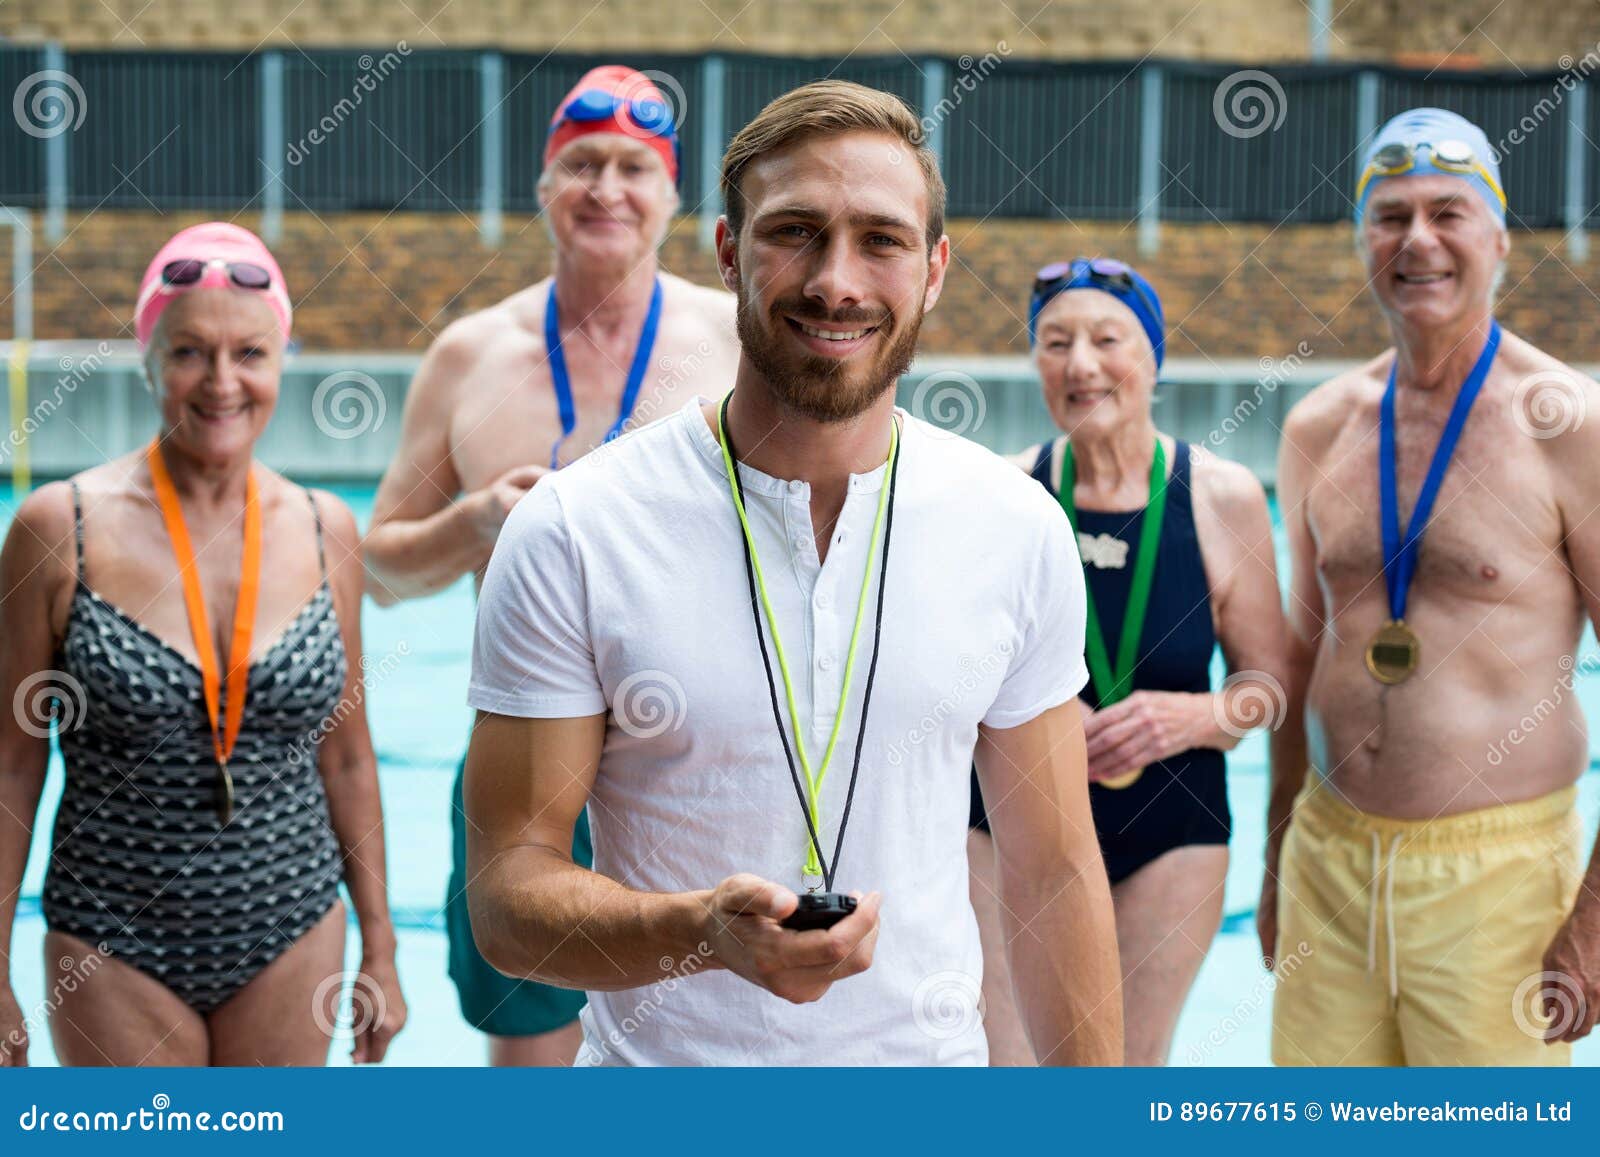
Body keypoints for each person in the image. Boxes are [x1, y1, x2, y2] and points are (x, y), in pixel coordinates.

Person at [460, 80, 1123, 1067]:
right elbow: (508, 898)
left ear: (934, 268)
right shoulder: (576, 528)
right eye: (795, 232)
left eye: (881, 240)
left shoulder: (1013, 527)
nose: (835, 281)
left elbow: (1055, 871)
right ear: (728, 250)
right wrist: (699, 929)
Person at [362, 65, 738, 1066]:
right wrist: (477, 523)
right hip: (526, 751)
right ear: (542, 188)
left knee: (706, 1041)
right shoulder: (472, 355)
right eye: (580, 164)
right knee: (531, 1052)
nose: (605, 188)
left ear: (670, 196)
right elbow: (380, 569)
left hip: (701, 755)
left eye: (632, 166)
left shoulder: (734, 338)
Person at [0, 222, 404, 1067]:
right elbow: (10, 763)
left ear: (280, 361)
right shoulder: (57, 530)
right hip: (111, 943)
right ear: (149, 358)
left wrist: (384, 950)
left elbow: (350, 760)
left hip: (292, 926)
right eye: (189, 352)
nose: (221, 382)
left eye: (249, 354)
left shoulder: (327, 528)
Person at [1268, 107, 1600, 1065]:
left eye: (1448, 212)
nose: (1418, 239)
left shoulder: (1565, 424)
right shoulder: (1320, 425)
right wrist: (1278, 854)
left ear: (1499, 238)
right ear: (1364, 239)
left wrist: (1594, 920)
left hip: (1499, 877)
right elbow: (1300, 654)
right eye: (1391, 215)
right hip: (1329, 859)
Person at [967, 258, 1288, 1065]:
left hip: (1173, 833)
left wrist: (1200, 714)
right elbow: (945, 684)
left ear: (1152, 358)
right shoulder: (1005, 495)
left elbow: (1269, 689)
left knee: (1126, 1083)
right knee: (1007, 1073)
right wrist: (1026, 717)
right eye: (1055, 342)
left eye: (1108, 339)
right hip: (1011, 825)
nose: (1081, 364)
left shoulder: (1222, 495)